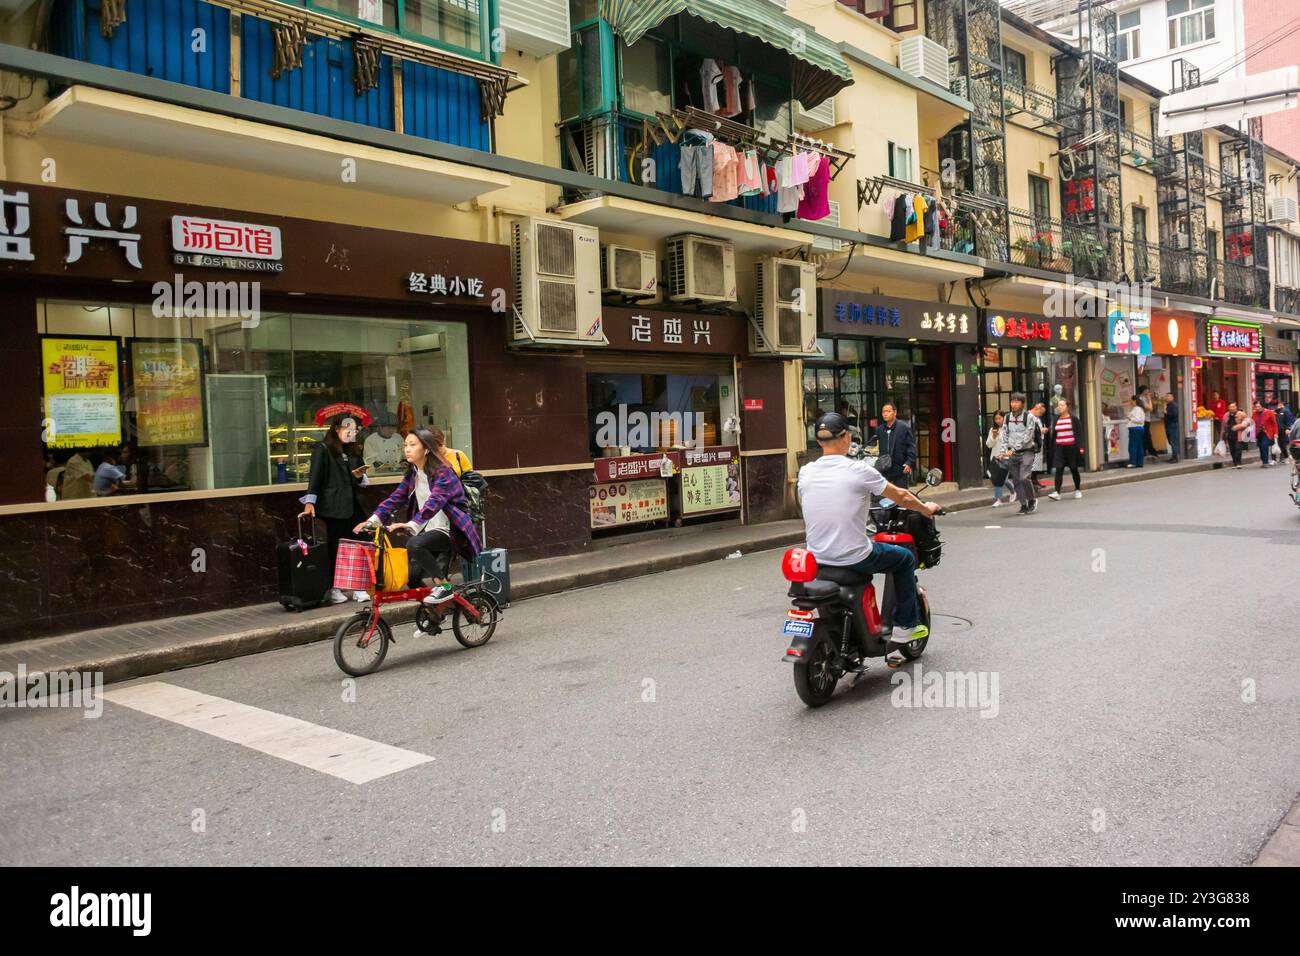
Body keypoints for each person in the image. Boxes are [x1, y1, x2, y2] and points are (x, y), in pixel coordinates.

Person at [797, 412, 941, 665]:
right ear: (846, 438)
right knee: (904, 559)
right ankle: (905, 625)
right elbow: (901, 496)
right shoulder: (858, 470)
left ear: (820, 441)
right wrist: (925, 509)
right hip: (854, 556)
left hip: (817, 557)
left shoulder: (806, 472)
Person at [355, 428, 482, 606]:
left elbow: (435, 501)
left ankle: (445, 587)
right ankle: (436, 614)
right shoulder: (414, 473)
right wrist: (372, 520)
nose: (407, 449)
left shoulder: (443, 472)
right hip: (428, 529)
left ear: (427, 449)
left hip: (449, 530)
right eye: (405, 445)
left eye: (413, 445)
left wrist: (411, 524)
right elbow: (395, 498)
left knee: (414, 544)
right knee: (413, 578)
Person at [300, 414, 372, 604]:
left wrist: (359, 476)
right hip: (334, 506)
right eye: (347, 428)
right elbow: (315, 477)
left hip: (356, 506)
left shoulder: (355, 451)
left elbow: (362, 482)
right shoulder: (322, 449)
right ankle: (334, 587)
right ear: (336, 429)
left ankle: (358, 587)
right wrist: (310, 503)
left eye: (354, 429)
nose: (350, 432)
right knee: (337, 546)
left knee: (359, 544)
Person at [994, 393, 1041, 515]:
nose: (1013, 404)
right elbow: (1005, 435)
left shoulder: (1029, 417)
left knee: (1024, 477)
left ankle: (1032, 500)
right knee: (1016, 480)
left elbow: (1028, 437)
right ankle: (1023, 504)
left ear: (1022, 404)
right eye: (1012, 401)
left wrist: (1013, 449)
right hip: (1012, 454)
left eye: (1017, 402)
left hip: (1027, 451)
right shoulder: (1007, 417)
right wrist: (1003, 452)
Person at [1047, 398, 1084, 500]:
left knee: (1073, 469)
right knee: (1058, 469)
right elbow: (1054, 434)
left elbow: (1080, 434)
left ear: (1067, 407)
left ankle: (1077, 489)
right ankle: (1057, 492)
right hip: (1059, 448)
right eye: (1058, 405)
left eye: (1062, 405)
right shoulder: (1056, 419)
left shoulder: (1074, 419)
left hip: (1071, 447)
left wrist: (1081, 447)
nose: (1060, 407)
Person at [875, 401, 917, 488]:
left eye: (888, 411)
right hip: (884, 468)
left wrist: (909, 462)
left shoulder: (903, 427)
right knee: (884, 498)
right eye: (883, 412)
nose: (885, 414)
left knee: (901, 496)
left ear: (895, 413)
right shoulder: (880, 430)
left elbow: (911, 446)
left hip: (900, 468)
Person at [985, 410, 1014, 507]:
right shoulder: (993, 429)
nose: (998, 421)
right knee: (997, 480)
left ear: (1004, 418)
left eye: (999, 418)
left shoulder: (1008, 429)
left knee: (1004, 480)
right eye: (996, 419)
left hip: (1006, 457)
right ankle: (998, 499)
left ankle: (1013, 491)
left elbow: (1011, 444)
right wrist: (993, 436)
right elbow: (989, 445)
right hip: (996, 458)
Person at [1252, 401, 1278, 468]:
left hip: (1267, 432)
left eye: (1258, 406)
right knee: (1261, 447)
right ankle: (1263, 460)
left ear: (1262, 406)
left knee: (1264, 445)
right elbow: (1252, 424)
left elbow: (1274, 423)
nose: (1257, 408)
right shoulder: (1254, 414)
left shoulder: (1269, 412)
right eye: (1256, 407)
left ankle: (1265, 462)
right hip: (1259, 433)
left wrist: (1275, 433)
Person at [1125, 395, 1146, 468]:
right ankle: (1139, 463)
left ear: (1134, 401)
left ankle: (1133, 462)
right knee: (1139, 446)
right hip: (1140, 429)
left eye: (1131, 400)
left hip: (1135, 429)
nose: (1130, 402)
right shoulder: (1140, 408)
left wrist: (1129, 417)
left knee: (1132, 446)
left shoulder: (1136, 409)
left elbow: (1137, 419)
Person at [1137, 386, 1157, 458]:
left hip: (1147, 419)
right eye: (1147, 391)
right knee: (1146, 436)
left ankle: (1147, 451)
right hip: (1143, 420)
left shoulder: (1144, 398)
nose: (1148, 392)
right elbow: (1150, 408)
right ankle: (1150, 451)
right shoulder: (1140, 398)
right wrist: (1149, 399)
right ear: (1143, 391)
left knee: (1147, 436)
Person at [1163, 392, 1180, 463]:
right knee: (1171, 441)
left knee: (1173, 441)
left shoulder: (1173, 405)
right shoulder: (1168, 405)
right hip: (1169, 425)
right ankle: (1173, 456)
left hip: (1173, 425)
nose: (1167, 398)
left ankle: (1175, 458)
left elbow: (1175, 414)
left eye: (1169, 396)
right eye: (1166, 396)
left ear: (1172, 398)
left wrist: (1166, 413)